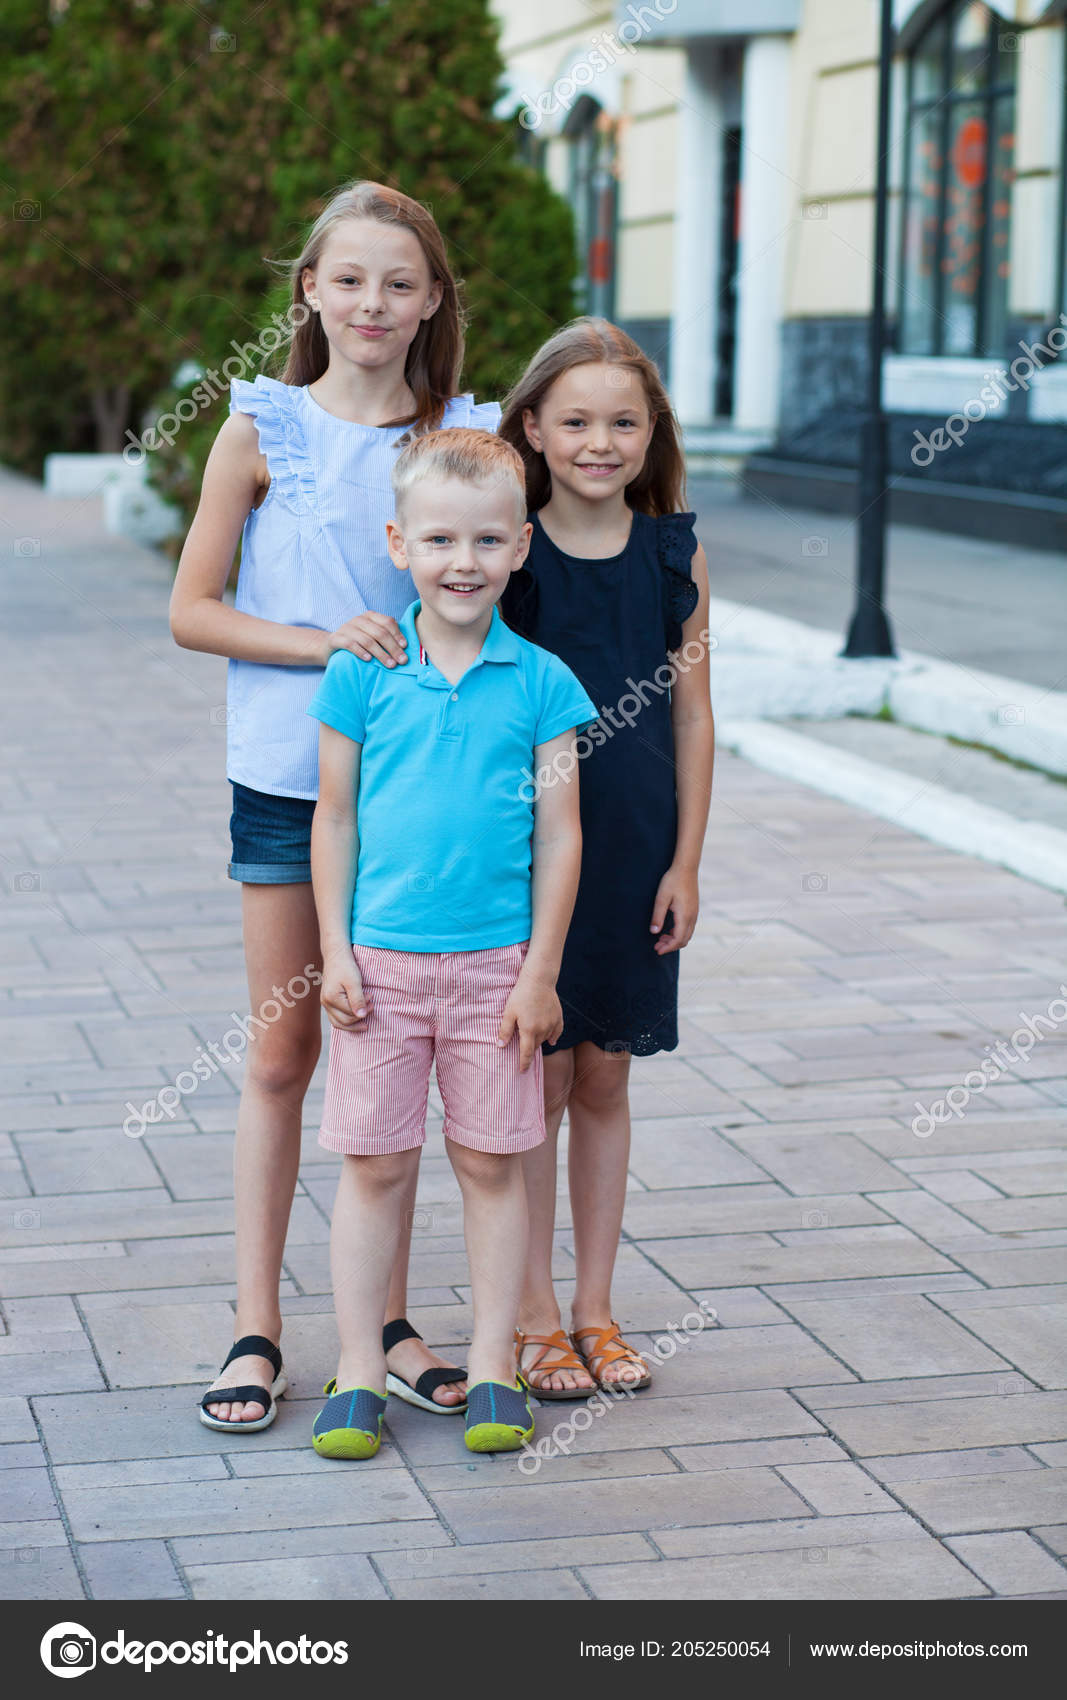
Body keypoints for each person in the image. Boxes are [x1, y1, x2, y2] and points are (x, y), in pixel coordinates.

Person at [170, 181, 497, 1432]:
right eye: (349, 278)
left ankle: (394, 1320)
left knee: (393, 1060)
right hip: (285, 786)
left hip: (419, 800)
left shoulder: (459, 436)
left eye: (400, 282)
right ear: (307, 289)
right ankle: (256, 1324)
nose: (373, 303)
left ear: (430, 303)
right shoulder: (261, 430)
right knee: (281, 1053)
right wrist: (327, 646)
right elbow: (193, 609)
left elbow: (491, 583)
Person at [305, 428, 595, 1458]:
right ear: (398, 542)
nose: (460, 561)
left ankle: (489, 1364)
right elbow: (332, 817)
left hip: (495, 972)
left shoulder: (542, 682)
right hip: (378, 965)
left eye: (484, 540)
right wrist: (334, 953)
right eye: (437, 539)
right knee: (374, 1165)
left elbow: (561, 833)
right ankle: (353, 1367)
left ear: (521, 545)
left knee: (489, 1162)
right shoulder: (362, 671)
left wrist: (540, 970)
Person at [498, 318, 715, 1401]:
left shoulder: (673, 550)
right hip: (530, 857)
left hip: (634, 851)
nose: (599, 440)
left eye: (621, 420)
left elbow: (691, 716)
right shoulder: (510, 553)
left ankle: (595, 1306)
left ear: (650, 431)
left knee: (604, 1077)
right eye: (574, 419)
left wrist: (685, 861)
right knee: (530, 1079)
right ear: (531, 427)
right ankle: (530, 1314)